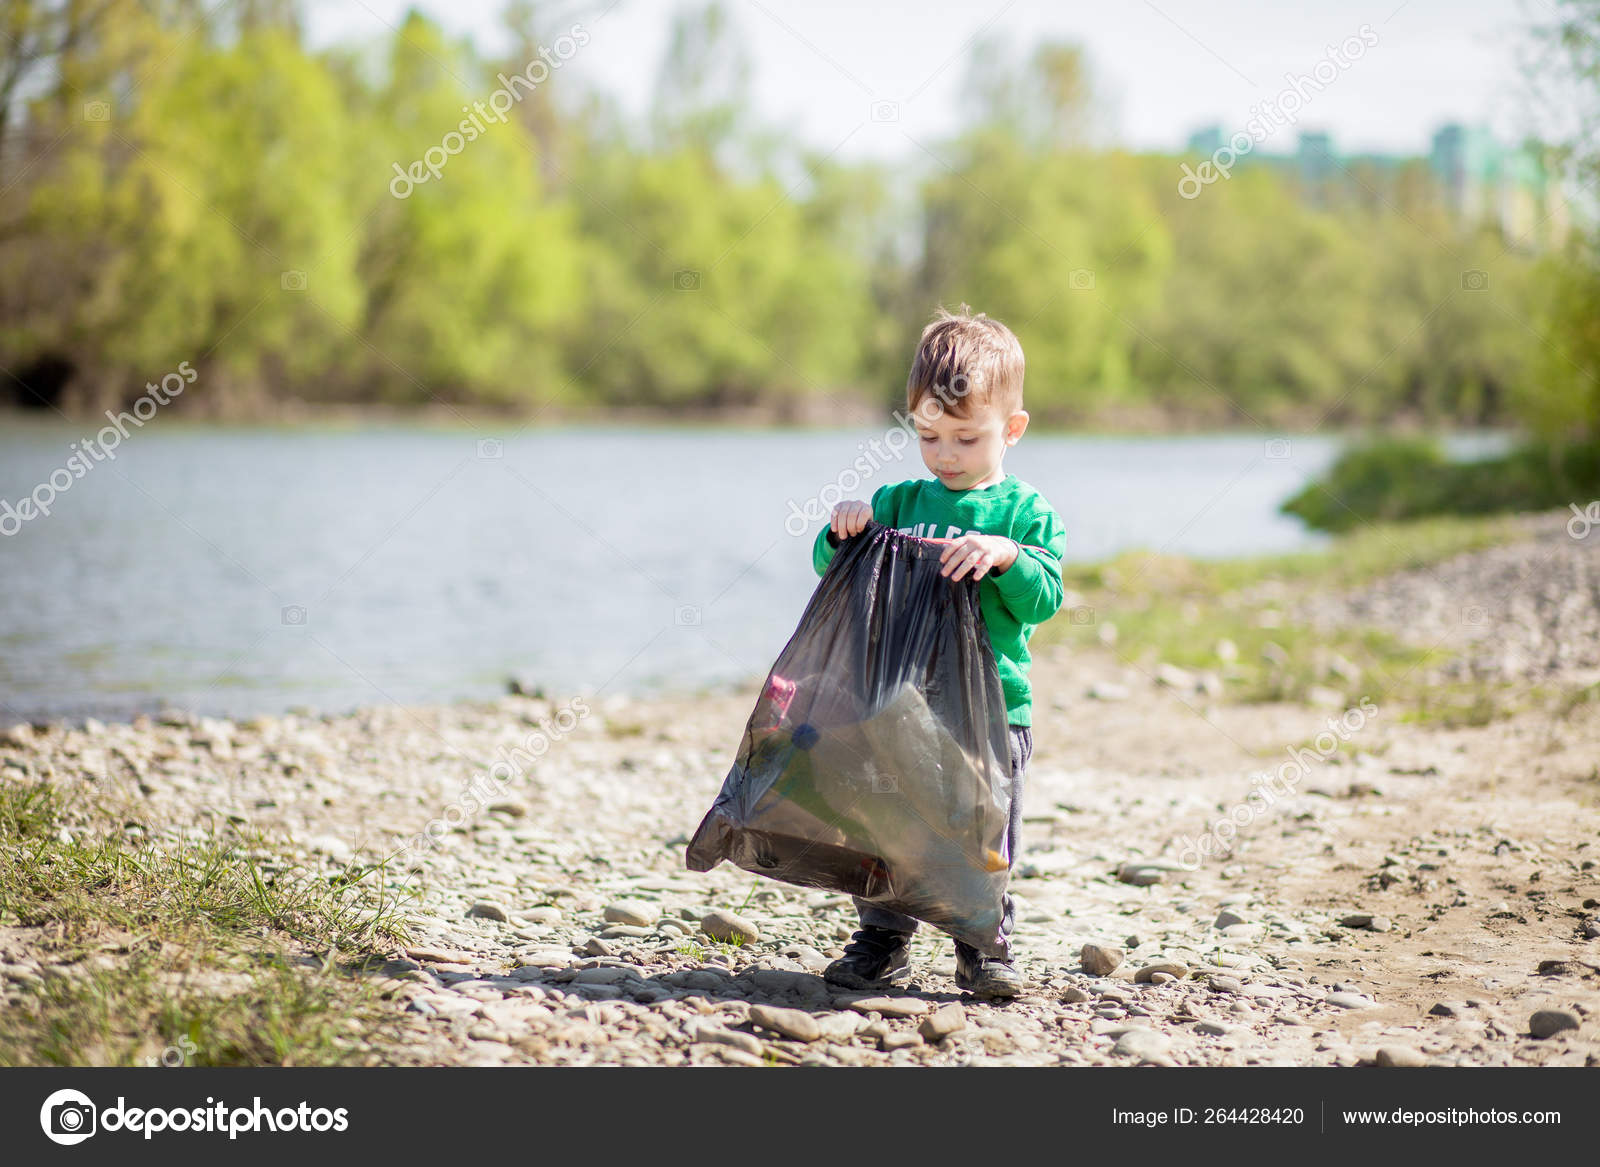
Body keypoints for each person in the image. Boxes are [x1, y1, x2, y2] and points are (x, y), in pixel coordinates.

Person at [811, 305, 1065, 999]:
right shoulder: (900, 501)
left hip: (992, 708)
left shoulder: (1024, 514)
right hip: (902, 704)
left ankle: (983, 945)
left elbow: (1044, 597)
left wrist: (1007, 555)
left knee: (982, 827)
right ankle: (883, 939)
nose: (946, 454)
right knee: (892, 821)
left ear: (1011, 429)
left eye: (966, 437)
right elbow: (828, 568)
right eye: (929, 436)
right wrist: (844, 530)